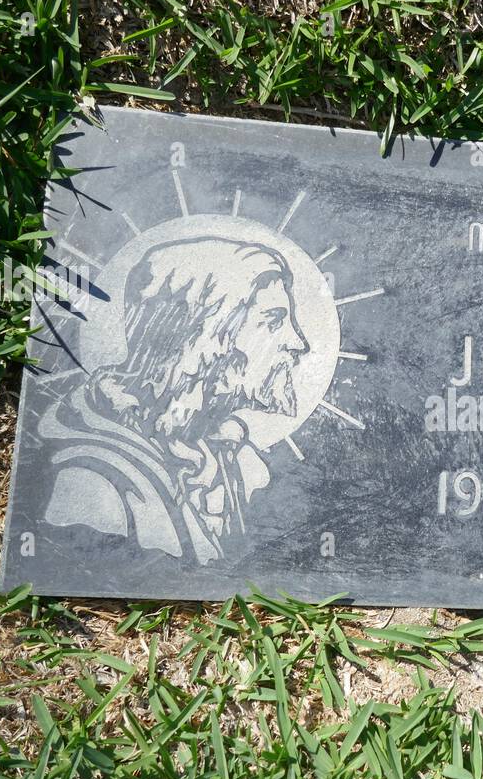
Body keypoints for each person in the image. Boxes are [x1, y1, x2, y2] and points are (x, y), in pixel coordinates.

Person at [39, 236, 309, 565]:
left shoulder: (238, 464)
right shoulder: (92, 484)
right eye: (274, 321)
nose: (298, 342)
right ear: (202, 337)